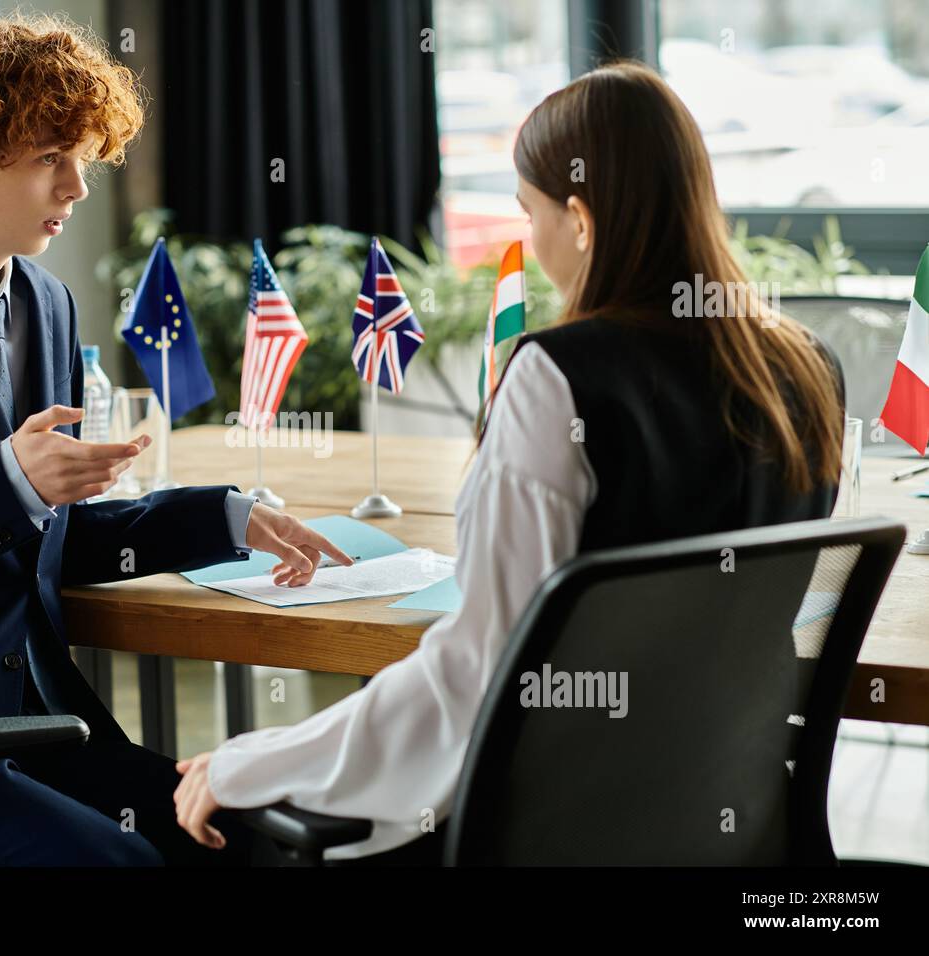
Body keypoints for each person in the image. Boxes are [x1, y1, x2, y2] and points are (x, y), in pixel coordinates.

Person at [173, 61, 846, 863]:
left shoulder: (556, 379)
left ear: (583, 218)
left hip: (556, 829)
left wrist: (252, 760)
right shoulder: (809, 370)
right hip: (730, 820)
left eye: (531, 215)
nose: (530, 242)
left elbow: (477, 673)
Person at [0, 13, 350, 867]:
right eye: (51, 157)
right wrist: (8, 480)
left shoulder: (44, 305)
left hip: (37, 724)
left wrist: (227, 518)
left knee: (240, 839)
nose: (78, 188)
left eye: (82, 158)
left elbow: (55, 535)